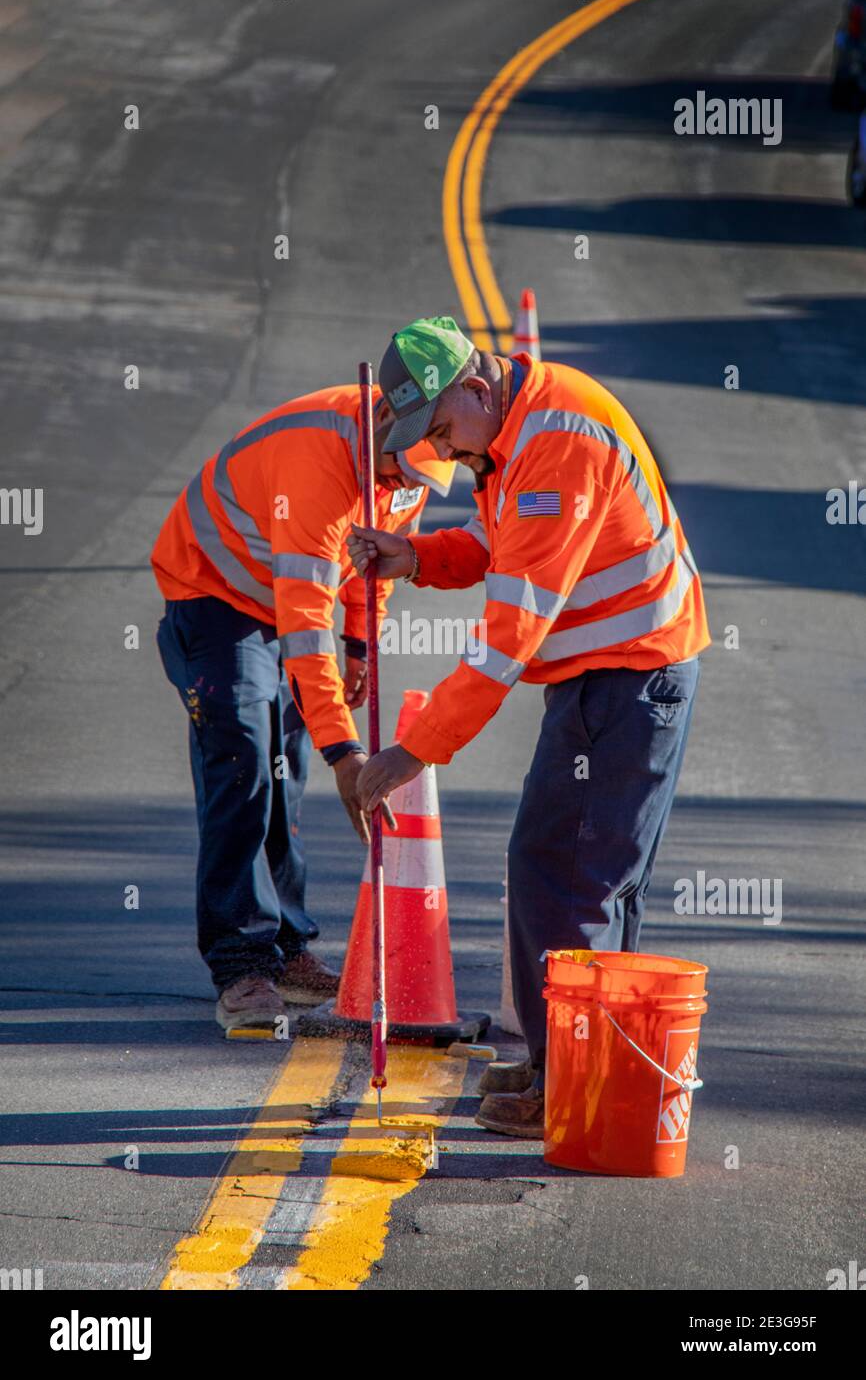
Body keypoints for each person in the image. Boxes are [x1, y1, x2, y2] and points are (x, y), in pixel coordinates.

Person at [347, 316, 710, 1137]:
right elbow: (491, 539)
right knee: (577, 874)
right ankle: (572, 1063)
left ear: (476, 388)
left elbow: (511, 636)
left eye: (441, 430)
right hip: (611, 676)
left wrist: (412, 750)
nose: (444, 453)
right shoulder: (509, 431)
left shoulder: (556, 444)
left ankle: (573, 1089)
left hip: (627, 679)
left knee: (569, 877)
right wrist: (417, 559)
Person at [151, 381, 453, 1032]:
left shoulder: (410, 459)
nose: (406, 481)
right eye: (399, 465)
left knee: (285, 767)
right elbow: (304, 618)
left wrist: (360, 646)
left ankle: (287, 949)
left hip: (281, 595)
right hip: (215, 592)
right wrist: (346, 753)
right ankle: (241, 966)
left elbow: (371, 564)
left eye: (419, 472)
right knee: (243, 753)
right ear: (384, 424)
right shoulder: (319, 465)